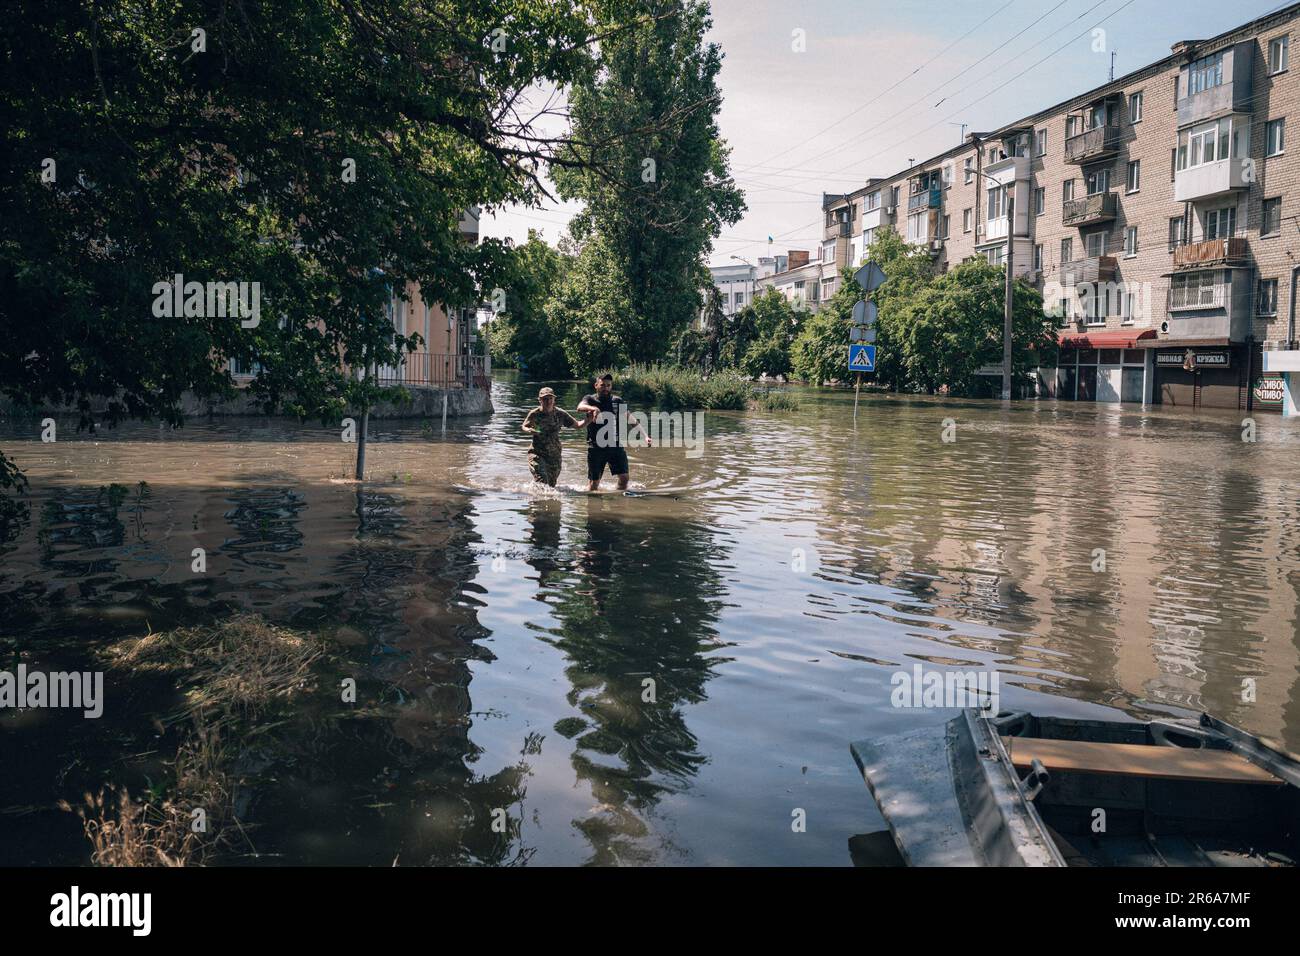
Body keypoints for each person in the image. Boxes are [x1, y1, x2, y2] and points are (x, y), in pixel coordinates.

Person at [576, 373, 651, 492]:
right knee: (594, 484)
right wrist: (594, 408)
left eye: (608, 385)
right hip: (596, 446)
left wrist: (645, 436)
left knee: (624, 478)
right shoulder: (590, 399)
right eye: (603, 385)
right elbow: (580, 407)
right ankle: (591, 503)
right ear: (596, 385)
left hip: (614, 445)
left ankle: (618, 499)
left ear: (611, 386)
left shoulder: (617, 401)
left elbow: (631, 419)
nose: (606, 388)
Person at [521, 387, 584, 487]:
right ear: (540, 400)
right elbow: (524, 426)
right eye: (545, 399)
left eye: (550, 398)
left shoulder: (560, 414)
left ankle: (537, 494)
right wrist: (529, 430)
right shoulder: (535, 413)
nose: (548, 401)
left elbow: (578, 425)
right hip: (537, 453)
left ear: (554, 399)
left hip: (554, 455)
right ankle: (539, 501)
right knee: (542, 480)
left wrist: (590, 419)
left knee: (551, 484)